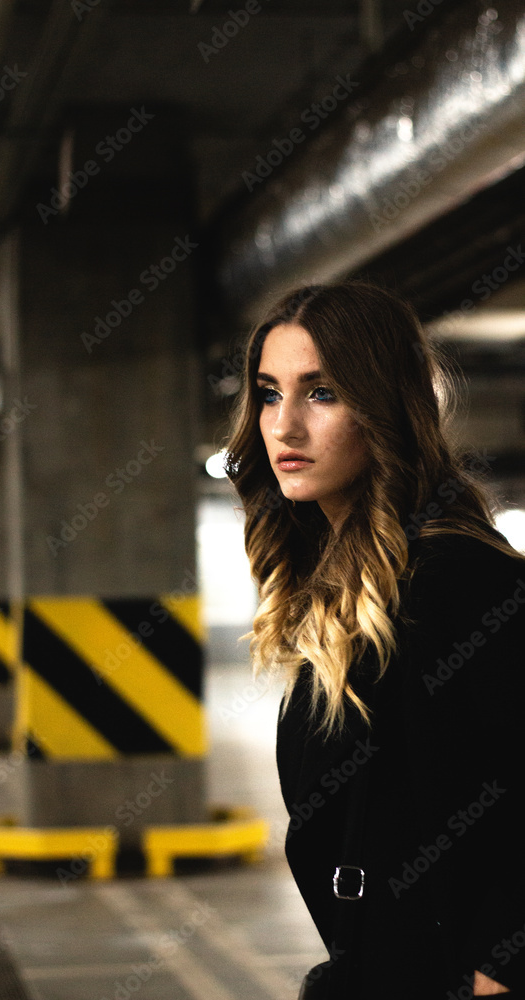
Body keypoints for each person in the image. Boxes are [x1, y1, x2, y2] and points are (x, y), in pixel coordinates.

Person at [224, 281, 525, 999]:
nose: (284, 426)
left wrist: (497, 976)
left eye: (321, 393)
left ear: (384, 406)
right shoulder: (338, 585)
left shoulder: (457, 578)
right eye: (269, 393)